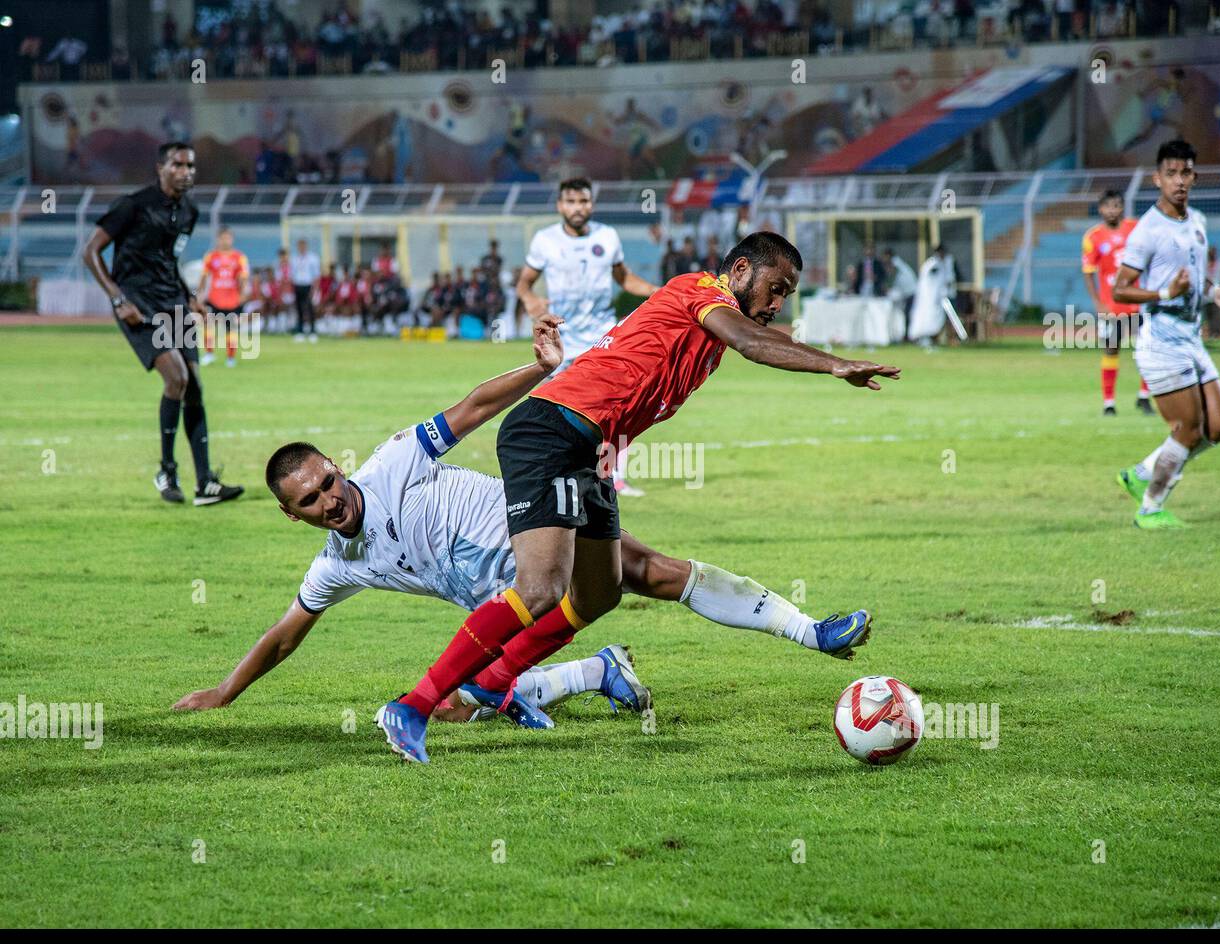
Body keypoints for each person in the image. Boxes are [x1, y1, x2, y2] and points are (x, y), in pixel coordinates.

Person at [379, 232, 898, 764]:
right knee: (540, 589)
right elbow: (752, 341)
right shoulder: (700, 291)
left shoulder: (713, 329)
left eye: (787, 294)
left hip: (593, 451)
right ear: (741, 269)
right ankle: (414, 706)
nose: (778, 303)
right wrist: (834, 364)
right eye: (776, 288)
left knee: (600, 592)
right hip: (551, 432)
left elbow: (755, 336)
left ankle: (493, 681)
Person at [171, 334, 872, 727]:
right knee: (458, 704)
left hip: (536, 530)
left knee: (649, 573)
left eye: (328, 481)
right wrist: (224, 692)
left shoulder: (390, 465)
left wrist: (539, 369)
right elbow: (284, 634)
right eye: (311, 501)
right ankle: (595, 671)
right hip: (503, 614)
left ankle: (809, 631)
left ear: (337, 466)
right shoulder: (336, 566)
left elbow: (471, 409)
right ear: (292, 515)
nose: (330, 500)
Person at [82, 140, 243, 507]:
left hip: (174, 302)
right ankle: (167, 471)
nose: (186, 172)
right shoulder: (133, 206)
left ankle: (205, 484)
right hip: (138, 306)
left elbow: (168, 261)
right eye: (178, 165)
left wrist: (190, 297)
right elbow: (90, 252)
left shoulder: (189, 211)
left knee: (195, 387)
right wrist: (118, 298)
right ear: (161, 168)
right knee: (177, 378)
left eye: (191, 166)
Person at [1113, 139, 1220, 530]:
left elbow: (1196, 280)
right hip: (1161, 343)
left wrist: (1215, 293)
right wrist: (1164, 293)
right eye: (1170, 173)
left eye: (1185, 172)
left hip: (1191, 339)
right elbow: (1120, 289)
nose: (1179, 180)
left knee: (1219, 427)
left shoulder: (1197, 221)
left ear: (1194, 176)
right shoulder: (1147, 231)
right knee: (1187, 430)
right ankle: (1150, 508)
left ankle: (1143, 472)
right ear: (1157, 179)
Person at [515, 177, 660, 496]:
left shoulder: (607, 237)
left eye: (583, 201)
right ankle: (551, 475)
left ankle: (613, 478)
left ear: (591, 204)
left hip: (602, 339)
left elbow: (624, 279)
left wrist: (658, 291)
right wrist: (530, 300)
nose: (577, 208)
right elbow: (524, 283)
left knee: (617, 408)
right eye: (571, 202)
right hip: (561, 341)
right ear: (560, 205)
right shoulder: (545, 240)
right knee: (551, 409)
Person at [1082, 189, 1152, 415]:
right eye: (1107, 206)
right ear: (1100, 209)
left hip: (1138, 302)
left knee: (1147, 349)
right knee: (1111, 349)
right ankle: (1109, 403)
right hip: (1111, 305)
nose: (1112, 211)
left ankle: (1144, 397)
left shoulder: (1136, 229)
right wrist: (1097, 303)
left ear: (1122, 208)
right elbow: (1088, 272)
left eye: (1116, 206)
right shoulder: (1093, 237)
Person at [197, 227, 251, 367]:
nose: (225, 240)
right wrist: (199, 294)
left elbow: (244, 277)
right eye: (223, 238)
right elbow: (204, 276)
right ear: (218, 239)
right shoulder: (211, 256)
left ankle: (230, 358)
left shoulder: (239, 257)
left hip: (232, 299)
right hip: (214, 297)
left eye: (228, 238)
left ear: (232, 239)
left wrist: (243, 293)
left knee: (231, 328)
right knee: (208, 324)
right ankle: (209, 354)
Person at [289, 238, 320, 343]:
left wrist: (314, 289)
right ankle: (300, 331)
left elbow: (316, 275)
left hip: (308, 285)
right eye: (300, 246)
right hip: (298, 285)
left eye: (303, 246)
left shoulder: (313, 258)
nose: (301, 248)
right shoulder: (294, 259)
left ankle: (312, 331)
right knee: (299, 309)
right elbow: (292, 274)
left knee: (309, 309)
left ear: (306, 246)